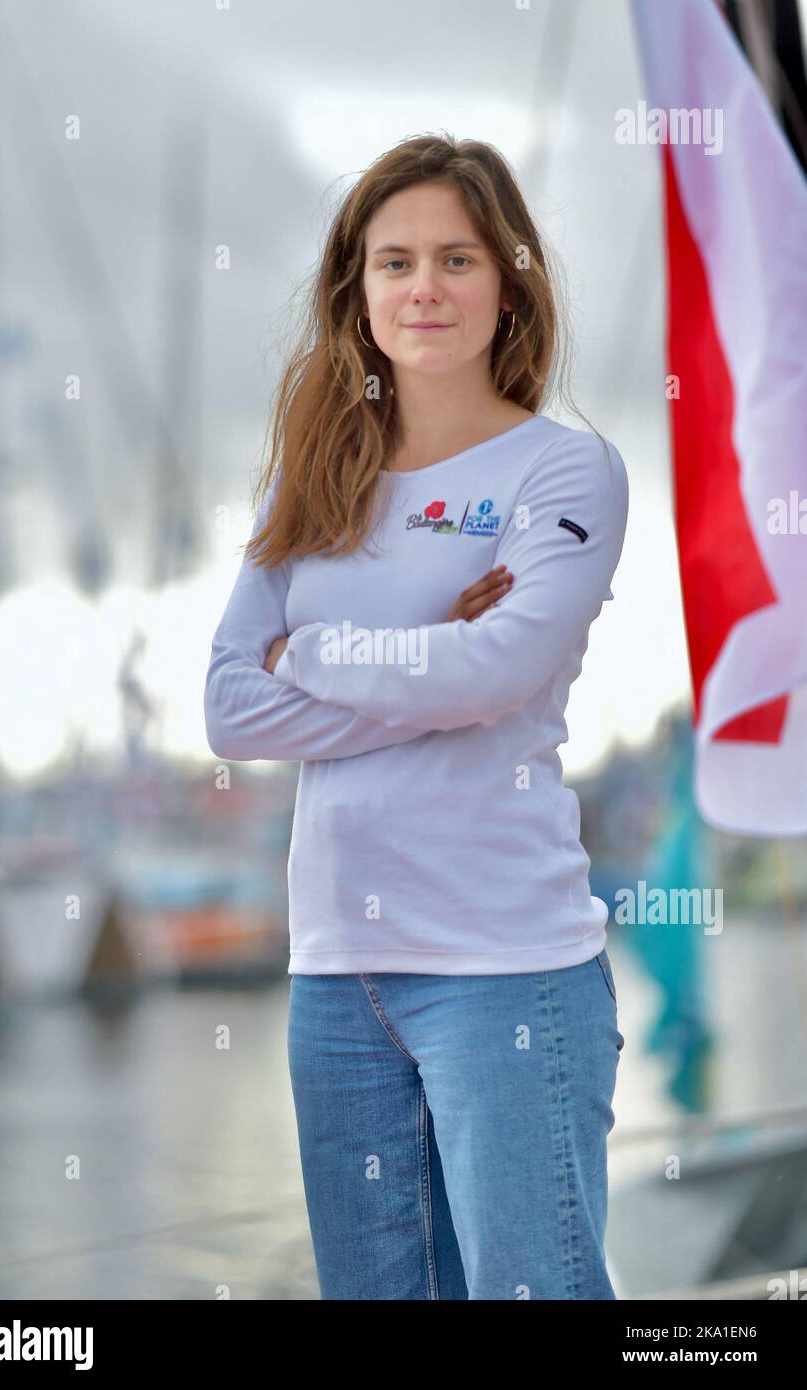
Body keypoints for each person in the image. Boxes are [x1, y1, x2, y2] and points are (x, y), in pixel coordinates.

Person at [204, 133, 628, 1300]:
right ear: (359, 288)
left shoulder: (565, 471)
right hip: (335, 976)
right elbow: (232, 706)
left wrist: (327, 652)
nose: (424, 288)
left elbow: (496, 671)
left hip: (507, 968)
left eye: (456, 257)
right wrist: (440, 657)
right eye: (394, 263)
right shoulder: (311, 480)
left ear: (509, 279)